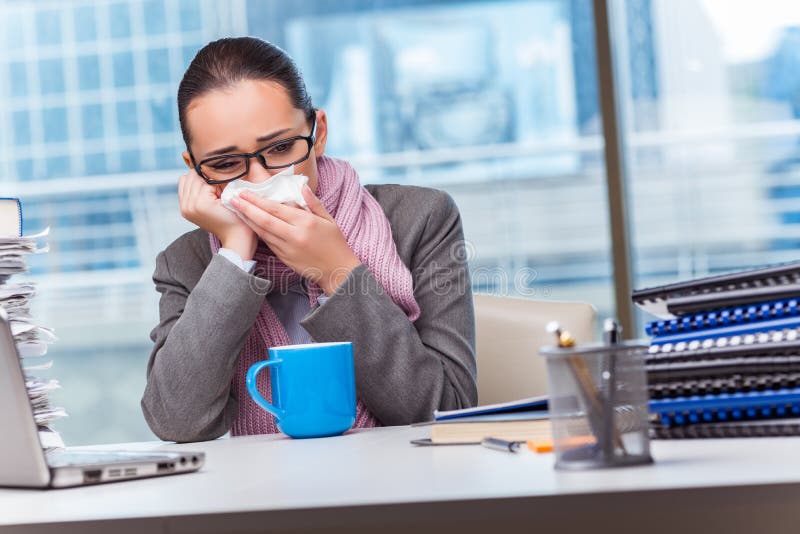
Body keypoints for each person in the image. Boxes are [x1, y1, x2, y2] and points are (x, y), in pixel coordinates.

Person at [141, 37, 477, 442]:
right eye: (226, 164)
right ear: (195, 170)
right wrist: (234, 254)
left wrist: (336, 270)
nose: (260, 180)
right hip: (264, 496)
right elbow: (176, 421)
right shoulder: (188, 262)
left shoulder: (420, 219)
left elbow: (448, 410)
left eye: (281, 148)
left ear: (318, 135)